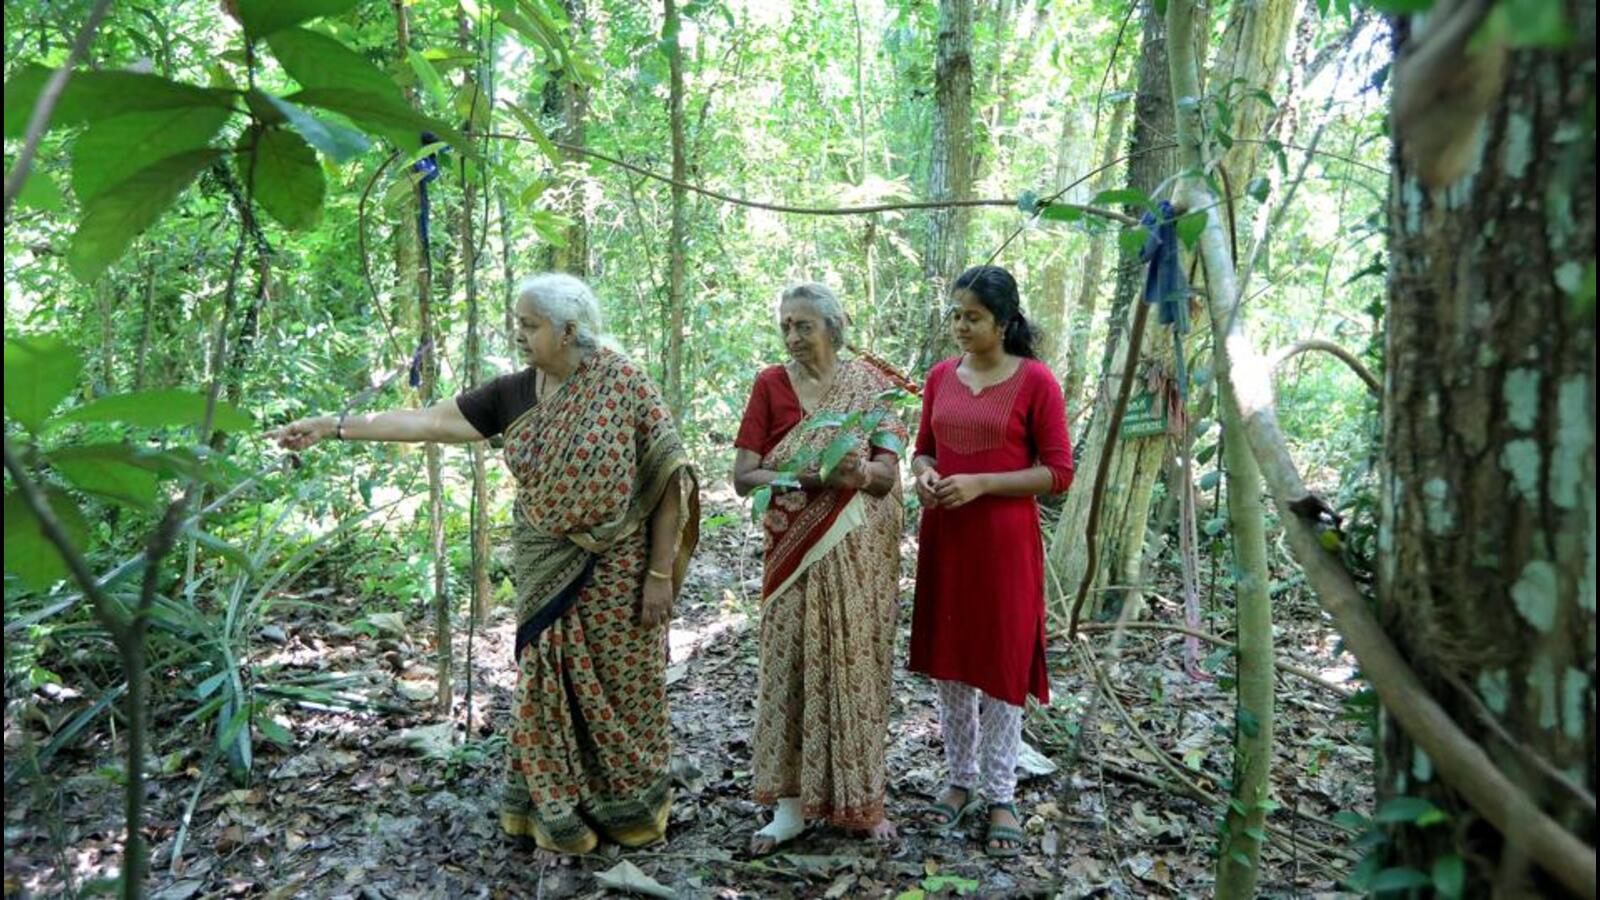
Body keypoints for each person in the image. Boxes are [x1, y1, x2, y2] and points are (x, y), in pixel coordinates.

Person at [267, 272, 699, 854]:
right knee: (547, 683)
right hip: (545, 565)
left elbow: (669, 479)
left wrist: (658, 575)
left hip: (620, 572)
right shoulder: (513, 394)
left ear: (568, 330)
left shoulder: (624, 384)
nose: (518, 334)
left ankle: (630, 813)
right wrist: (332, 427)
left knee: (626, 688)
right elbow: (429, 422)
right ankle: (560, 814)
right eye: (518, 323)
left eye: (529, 324)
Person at [732, 283, 906, 854]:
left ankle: (862, 798)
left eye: (803, 325)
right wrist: (813, 478)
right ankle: (788, 809)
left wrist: (858, 475)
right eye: (785, 325)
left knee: (853, 664)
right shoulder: (770, 385)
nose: (792, 337)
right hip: (790, 554)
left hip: (855, 555)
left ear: (834, 326)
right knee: (791, 664)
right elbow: (745, 477)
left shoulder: (870, 388)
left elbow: (887, 475)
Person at [908, 265, 1073, 858]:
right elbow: (923, 449)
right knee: (952, 662)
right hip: (947, 538)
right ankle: (959, 779)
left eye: (972, 317)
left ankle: (1001, 792)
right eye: (955, 315)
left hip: (1004, 543)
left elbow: (1058, 472)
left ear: (1003, 323)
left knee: (1001, 666)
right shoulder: (939, 377)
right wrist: (925, 473)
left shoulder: (1036, 383)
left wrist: (982, 483)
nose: (960, 327)